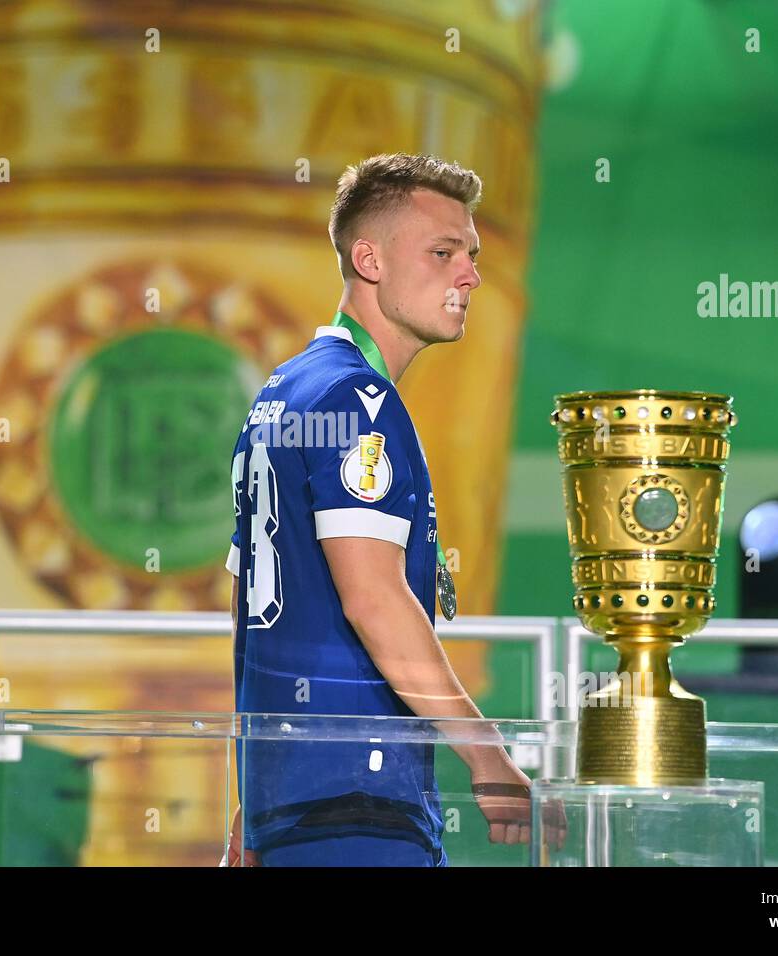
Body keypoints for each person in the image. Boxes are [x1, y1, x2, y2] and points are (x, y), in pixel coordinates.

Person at [224, 153, 560, 867]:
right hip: (358, 804)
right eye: (444, 252)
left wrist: (248, 810)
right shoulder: (356, 400)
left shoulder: (280, 393)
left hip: (291, 808)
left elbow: (249, 617)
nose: (469, 275)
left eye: (471, 255)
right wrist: (489, 756)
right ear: (369, 259)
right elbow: (374, 598)